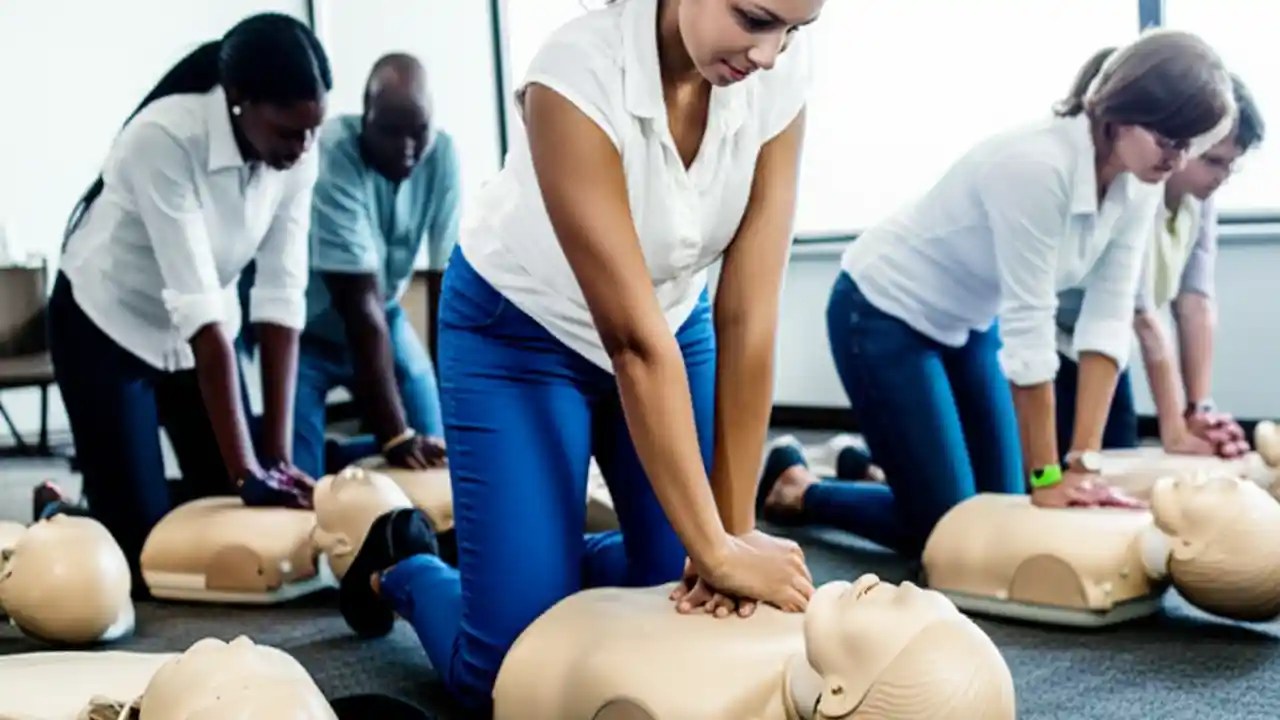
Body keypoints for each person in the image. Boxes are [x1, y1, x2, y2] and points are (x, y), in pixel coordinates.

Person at [331, 0, 823, 713]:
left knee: (683, 593)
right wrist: (715, 548)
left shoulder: (776, 75)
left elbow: (748, 314)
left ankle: (532, 557)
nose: (771, 54)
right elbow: (630, 343)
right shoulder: (573, 77)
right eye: (753, 19)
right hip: (518, 336)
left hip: (673, 329)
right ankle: (405, 566)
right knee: (504, 674)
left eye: (794, 30)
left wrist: (731, 537)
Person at [807, 29, 1236, 556]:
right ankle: (799, 490)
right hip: (882, 311)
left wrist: (1082, 465)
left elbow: (1106, 319)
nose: (1177, 159)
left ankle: (872, 463)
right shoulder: (1037, 165)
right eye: (1169, 141)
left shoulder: (1138, 180)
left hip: (968, 325)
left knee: (1006, 505)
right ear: (1122, 111)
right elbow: (1030, 327)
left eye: (1190, 145)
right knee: (952, 534)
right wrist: (1050, 475)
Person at [48, 13, 331, 592]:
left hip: (197, 337)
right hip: (107, 326)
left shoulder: (298, 153)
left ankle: (106, 492)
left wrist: (272, 459)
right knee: (139, 554)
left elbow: (279, 301)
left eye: (312, 130)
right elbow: (200, 307)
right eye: (287, 132)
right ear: (239, 103)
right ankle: (62, 516)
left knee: (230, 512)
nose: (302, 148)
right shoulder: (164, 138)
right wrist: (245, 466)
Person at [1055, 52, 1264, 460]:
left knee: (1113, 459)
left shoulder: (1199, 200)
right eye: (1212, 161)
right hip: (1054, 340)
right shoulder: (1136, 187)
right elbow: (1143, 314)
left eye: (1230, 166)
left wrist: (1197, 410)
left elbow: (1195, 302)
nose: (1220, 176)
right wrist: (1173, 431)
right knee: (1043, 477)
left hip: (1100, 344)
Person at [291, 52, 459, 478]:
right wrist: (395, 435)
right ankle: (332, 458)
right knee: (301, 482)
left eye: (417, 132)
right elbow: (358, 306)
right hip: (309, 333)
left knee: (439, 452)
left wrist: (451, 394)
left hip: (386, 315)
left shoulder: (442, 155)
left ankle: (349, 456)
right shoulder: (332, 152)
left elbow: (448, 283)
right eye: (389, 132)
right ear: (364, 118)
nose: (406, 149)